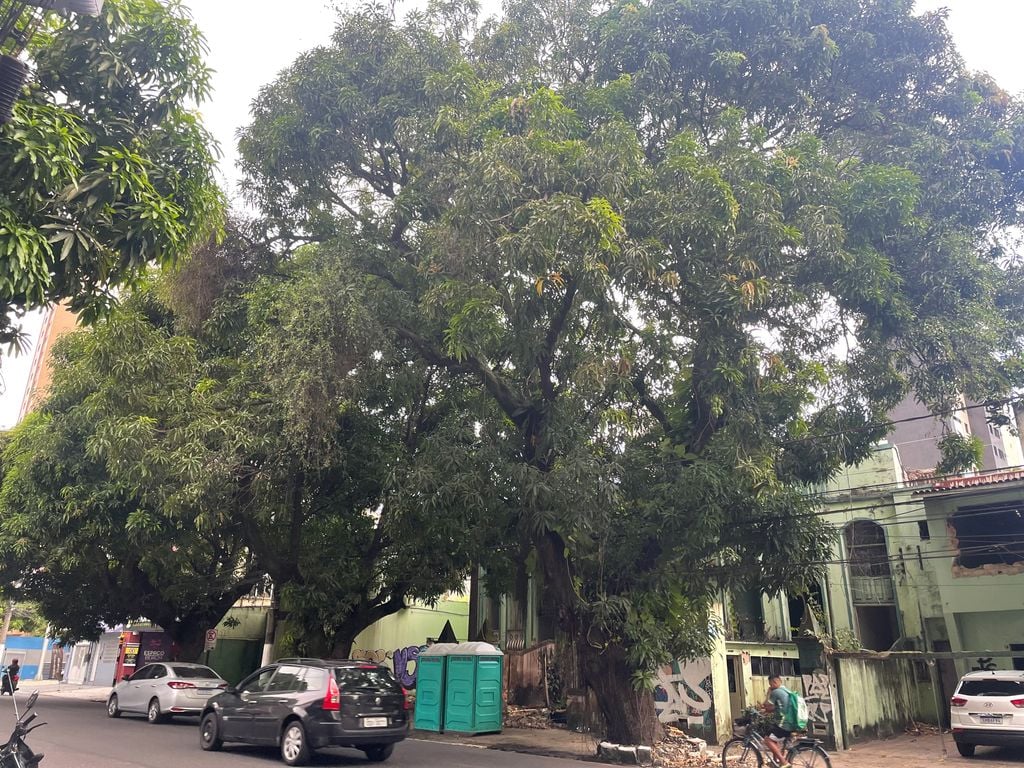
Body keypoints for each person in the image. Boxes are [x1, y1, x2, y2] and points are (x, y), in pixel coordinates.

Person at [762, 674, 796, 768]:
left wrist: (768, 693)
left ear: (775, 682)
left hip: (784, 724)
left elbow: (766, 705)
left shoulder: (776, 692)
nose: (770, 686)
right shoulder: (786, 690)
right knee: (774, 737)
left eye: (770, 684)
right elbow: (777, 707)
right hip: (792, 722)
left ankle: (784, 762)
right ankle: (776, 762)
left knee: (767, 739)